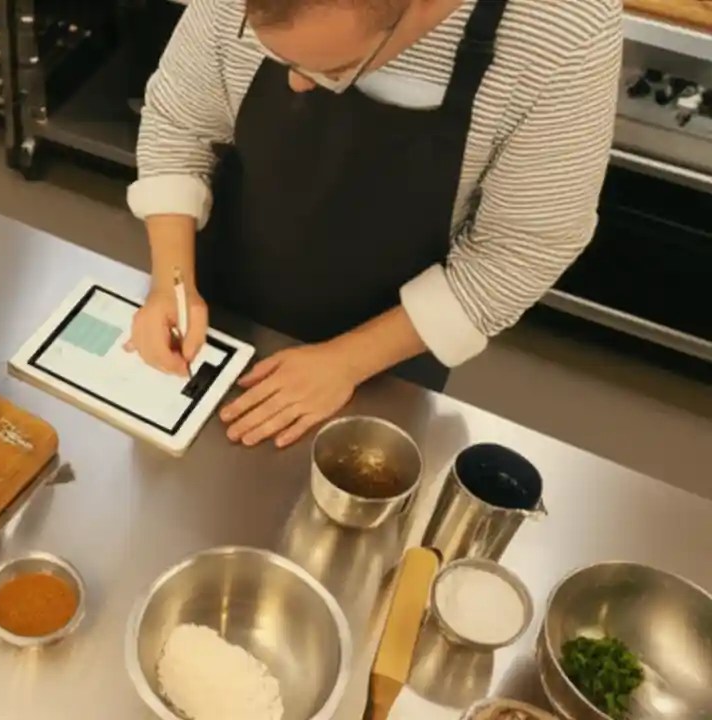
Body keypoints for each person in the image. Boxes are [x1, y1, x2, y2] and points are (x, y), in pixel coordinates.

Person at [126, 0, 621, 448]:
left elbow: (521, 250)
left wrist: (347, 362)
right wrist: (173, 281)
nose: (295, 85)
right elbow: (180, 123)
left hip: (389, 352)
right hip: (224, 299)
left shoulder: (561, 23)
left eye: (336, 71)